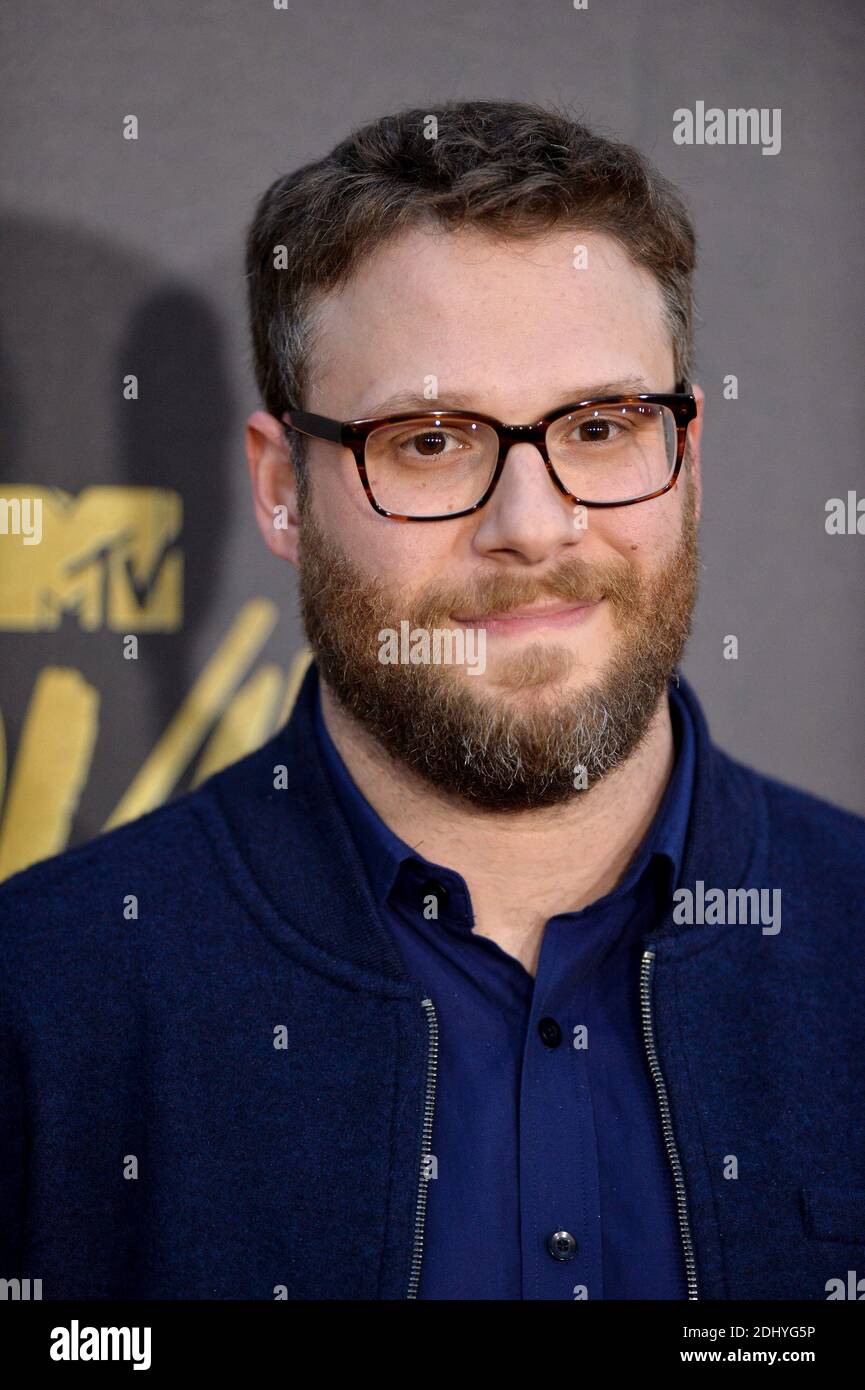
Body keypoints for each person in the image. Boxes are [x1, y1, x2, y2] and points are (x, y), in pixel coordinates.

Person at [1, 100, 863, 1301]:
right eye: (431, 441)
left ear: (689, 457)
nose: (532, 526)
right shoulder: (40, 1001)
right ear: (280, 490)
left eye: (602, 425)